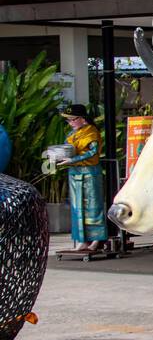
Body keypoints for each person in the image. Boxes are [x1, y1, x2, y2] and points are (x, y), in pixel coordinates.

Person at [57, 104, 106, 252]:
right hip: (74, 173)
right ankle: (81, 240)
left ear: (83, 119)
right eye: (68, 120)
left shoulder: (91, 132)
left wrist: (71, 160)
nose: (70, 123)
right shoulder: (72, 134)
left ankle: (96, 239)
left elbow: (93, 152)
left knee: (92, 206)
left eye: (72, 120)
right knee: (77, 208)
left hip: (89, 172)